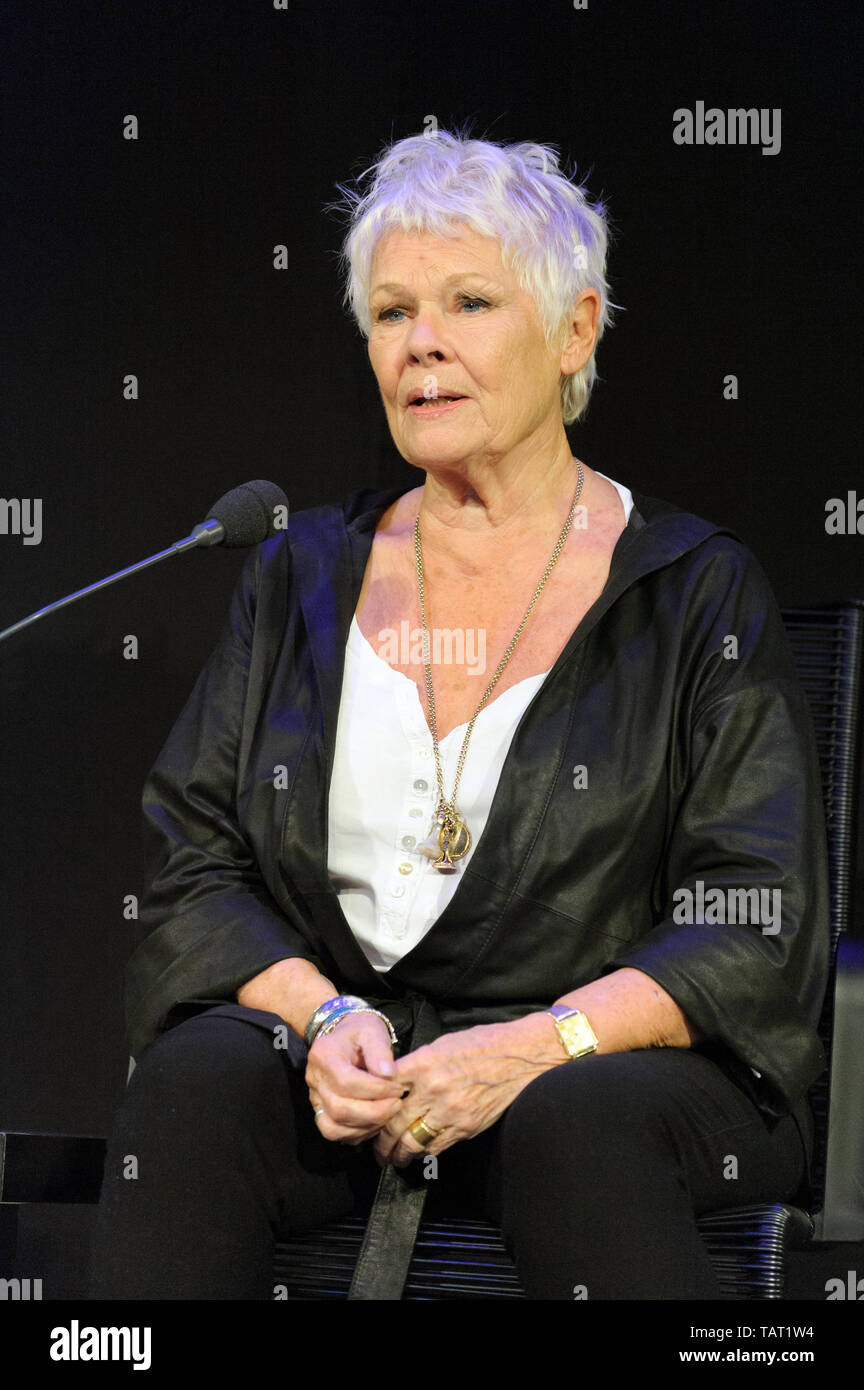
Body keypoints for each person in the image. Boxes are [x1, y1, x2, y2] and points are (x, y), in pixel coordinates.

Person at [90, 129, 829, 1301]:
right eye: (392, 313)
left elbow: (752, 920)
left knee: (576, 1129)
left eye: (470, 302)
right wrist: (323, 1013)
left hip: (603, 1067)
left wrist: (534, 1046)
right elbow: (193, 864)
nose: (421, 343)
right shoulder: (301, 577)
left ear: (575, 329)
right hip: (361, 1059)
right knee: (192, 1087)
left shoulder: (692, 591)